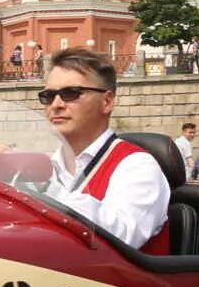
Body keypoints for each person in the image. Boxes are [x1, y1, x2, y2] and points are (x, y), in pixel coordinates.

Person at [37, 47, 170, 251]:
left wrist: (41, 189)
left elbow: (122, 235)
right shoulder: (48, 167)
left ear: (107, 102)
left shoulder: (137, 166)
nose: (56, 104)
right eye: (48, 96)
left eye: (71, 93)